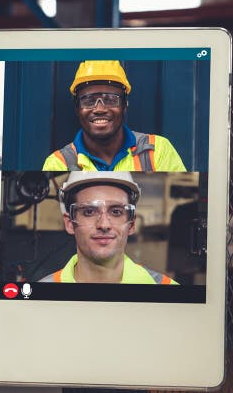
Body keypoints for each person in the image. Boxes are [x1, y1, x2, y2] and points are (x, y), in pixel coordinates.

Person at [42, 60, 187, 172]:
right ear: (77, 108)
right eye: (89, 100)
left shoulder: (157, 150)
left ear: (125, 105)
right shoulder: (57, 163)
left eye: (111, 99)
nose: (99, 109)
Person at [40, 172, 178, 284]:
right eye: (89, 212)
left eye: (116, 212)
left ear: (132, 224)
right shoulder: (42, 296)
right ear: (69, 223)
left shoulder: (169, 292)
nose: (104, 225)